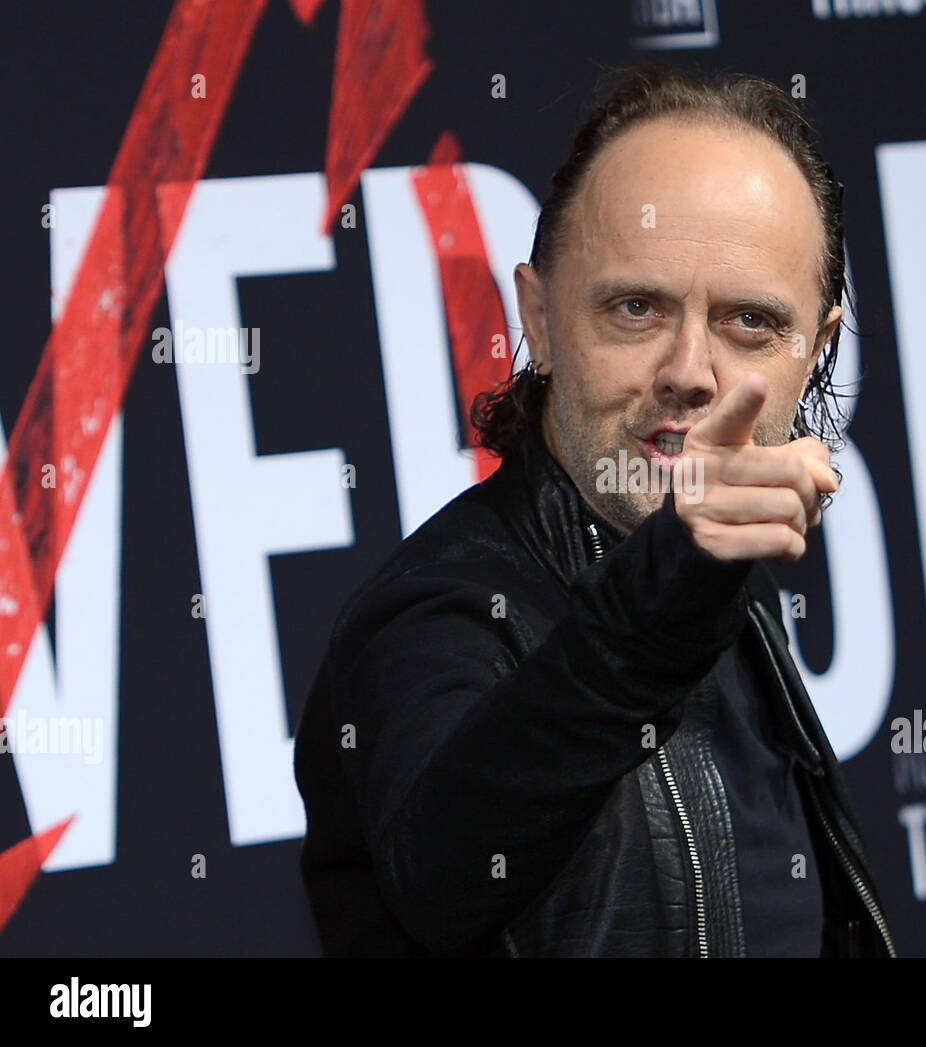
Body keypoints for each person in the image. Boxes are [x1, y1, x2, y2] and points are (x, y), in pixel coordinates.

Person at [293, 63, 895, 958]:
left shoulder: (735, 599)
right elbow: (444, 874)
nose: (691, 369)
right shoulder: (428, 615)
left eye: (750, 323)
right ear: (536, 318)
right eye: (636, 307)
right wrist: (665, 590)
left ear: (820, 350)